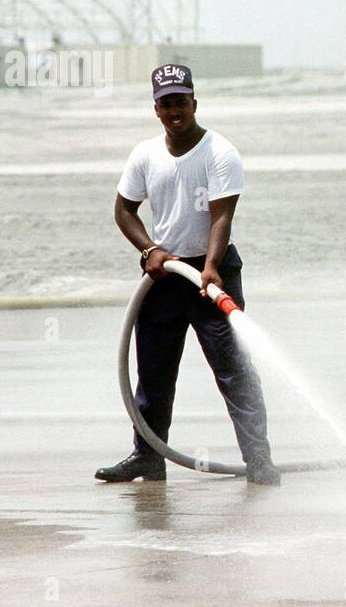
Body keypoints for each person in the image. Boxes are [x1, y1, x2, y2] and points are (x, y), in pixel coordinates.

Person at [95, 63, 281, 485]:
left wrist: (211, 266)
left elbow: (221, 217)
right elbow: (124, 210)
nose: (174, 109)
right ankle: (148, 456)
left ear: (194, 103)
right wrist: (150, 249)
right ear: (156, 109)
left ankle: (259, 460)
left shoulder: (220, 152)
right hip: (162, 277)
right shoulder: (144, 154)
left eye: (181, 101)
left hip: (211, 275)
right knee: (154, 374)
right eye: (166, 103)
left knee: (234, 370)